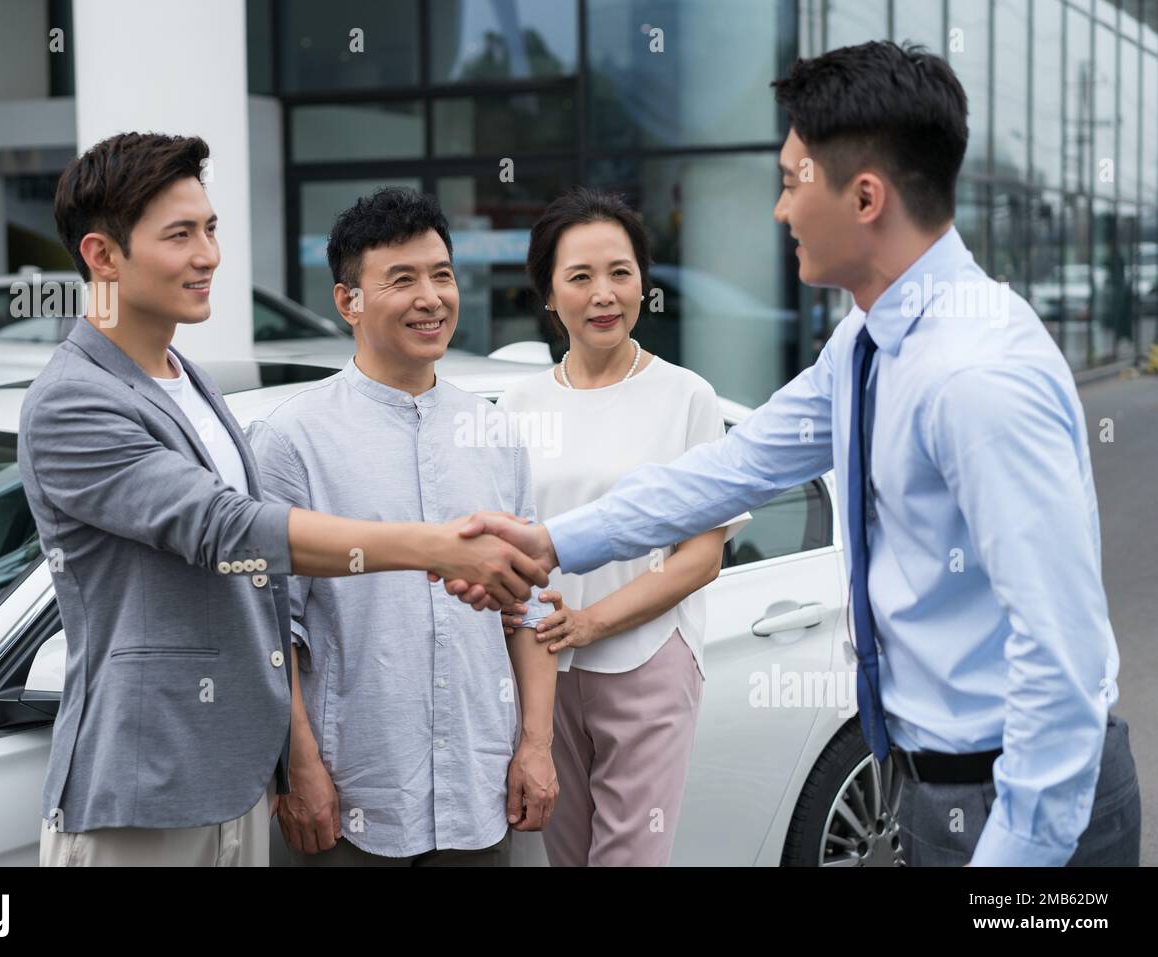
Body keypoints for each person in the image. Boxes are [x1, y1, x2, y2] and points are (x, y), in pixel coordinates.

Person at [448, 42, 1141, 867]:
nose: (778, 211)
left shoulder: (976, 376)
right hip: (925, 786)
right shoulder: (866, 344)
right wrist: (553, 543)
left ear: (866, 197)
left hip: (1025, 804)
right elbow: (732, 470)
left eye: (789, 181)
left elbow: (1061, 664)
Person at [22, 135, 548, 866]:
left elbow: (255, 589)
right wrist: (433, 546)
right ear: (103, 257)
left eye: (210, 229)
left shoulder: (187, 379)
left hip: (235, 778)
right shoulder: (73, 399)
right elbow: (227, 530)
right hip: (146, 783)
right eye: (180, 235)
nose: (207, 254)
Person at [247, 187, 557, 866]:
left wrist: (535, 743)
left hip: (480, 791)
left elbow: (529, 606)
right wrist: (298, 768)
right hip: (356, 795)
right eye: (403, 278)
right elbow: (273, 629)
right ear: (347, 301)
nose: (431, 297)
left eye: (441, 274)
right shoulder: (291, 440)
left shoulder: (495, 431)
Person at [494, 188, 748, 866]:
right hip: (540, 667)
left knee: (629, 856)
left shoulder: (685, 395)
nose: (603, 293)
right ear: (549, 293)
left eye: (621, 271)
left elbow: (701, 556)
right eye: (580, 276)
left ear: (643, 281)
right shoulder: (515, 404)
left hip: (646, 656)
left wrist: (593, 621)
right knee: (567, 856)